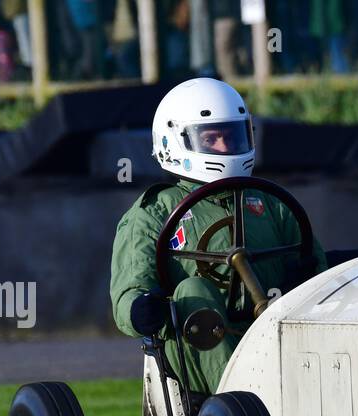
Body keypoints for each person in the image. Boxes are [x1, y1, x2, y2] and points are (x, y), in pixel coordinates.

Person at [110, 77, 327, 396]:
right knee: (192, 288)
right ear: (174, 142)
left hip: (275, 335)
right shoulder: (154, 212)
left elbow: (318, 271)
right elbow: (129, 292)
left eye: (233, 137)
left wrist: (305, 279)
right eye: (213, 139)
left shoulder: (271, 203)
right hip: (193, 354)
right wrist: (140, 310)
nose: (227, 148)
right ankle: (243, 399)